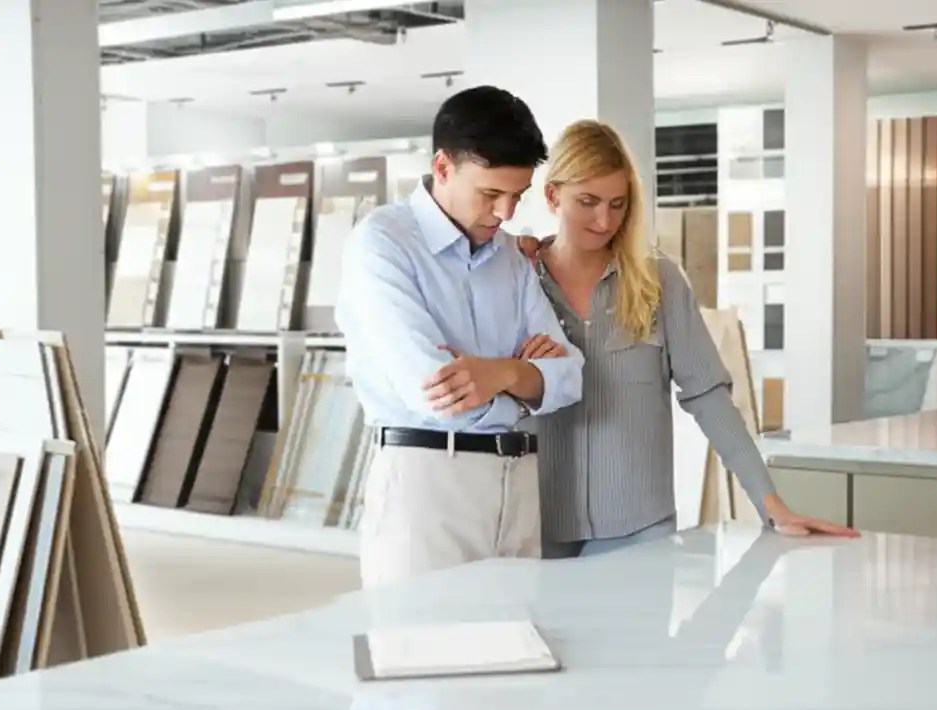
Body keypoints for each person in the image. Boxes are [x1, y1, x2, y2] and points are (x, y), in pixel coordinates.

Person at [517, 120, 858, 559]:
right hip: (536, 524)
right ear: (552, 195)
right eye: (588, 202)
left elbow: (708, 395)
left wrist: (771, 504)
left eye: (618, 204)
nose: (604, 220)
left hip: (640, 527)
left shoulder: (659, 282)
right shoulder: (516, 280)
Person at [335, 86, 585, 587]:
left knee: (516, 650)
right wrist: (528, 386)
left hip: (517, 485)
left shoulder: (512, 257)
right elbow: (437, 392)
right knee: (424, 652)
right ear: (443, 167)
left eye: (516, 196)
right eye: (491, 194)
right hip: (427, 484)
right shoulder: (381, 244)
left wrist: (503, 372)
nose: (506, 213)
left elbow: (572, 376)